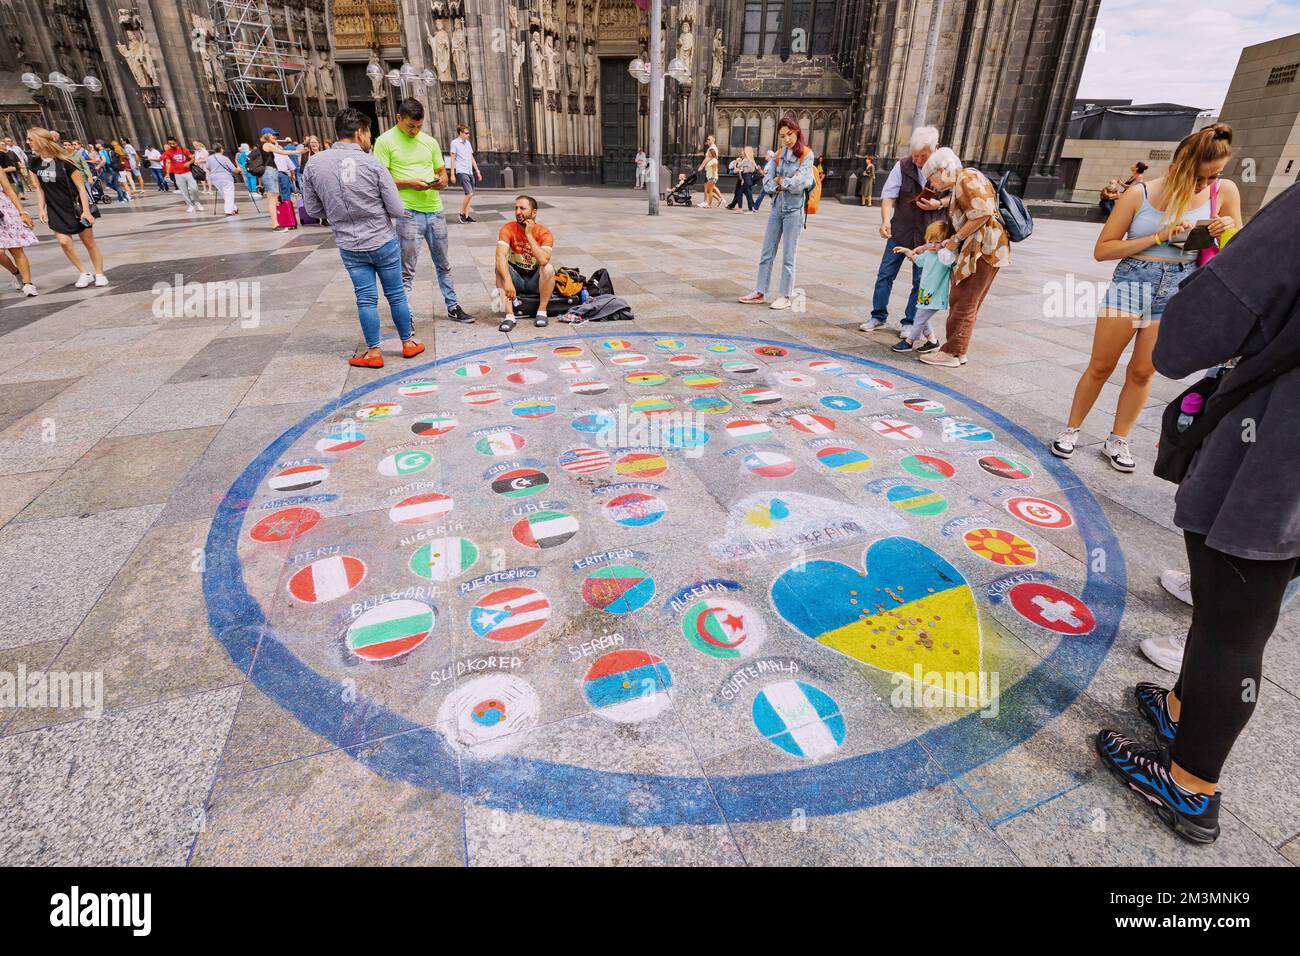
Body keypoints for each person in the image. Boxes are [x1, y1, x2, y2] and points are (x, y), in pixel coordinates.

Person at [1096, 180, 1300, 845]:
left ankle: (1190, 785)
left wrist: (1207, 257)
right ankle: (1184, 710)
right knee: (1239, 617)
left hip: (1274, 458)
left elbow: (1188, 336)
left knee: (1231, 625)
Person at [1052, 125, 1239, 472]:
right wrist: (1159, 235)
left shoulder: (1224, 190)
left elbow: (1236, 251)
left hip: (1179, 287)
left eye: (1215, 176)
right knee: (1102, 365)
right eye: (1200, 177)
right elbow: (1103, 250)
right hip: (1134, 280)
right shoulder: (1140, 193)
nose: (1206, 185)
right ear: (1181, 166)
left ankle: (1117, 439)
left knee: (1142, 372)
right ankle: (1071, 429)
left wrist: (1225, 228)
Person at [301, 108, 422, 369]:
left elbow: (312, 210)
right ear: (360, 133)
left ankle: (374, 352)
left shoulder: (314, 164)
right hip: (382, 240)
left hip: (349, 244)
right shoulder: (372, 163)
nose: (370, 139)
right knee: (396, 294)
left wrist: (338, 215)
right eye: (368, 133)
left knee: (365, 298)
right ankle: (408, 343)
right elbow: (396, 209)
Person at [373, 98, 473, 323]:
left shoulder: (429, 142)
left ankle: (452, 306)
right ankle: (404, 314)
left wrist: (441, 181)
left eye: (419, 126)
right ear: (399, 118)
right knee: (407, 268)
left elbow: (442, 172)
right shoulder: (384, 141)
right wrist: (410, 183)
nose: (415, 131)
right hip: (408, 212)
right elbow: (380, 179)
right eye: (410, 126)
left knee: (444, 263)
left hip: (435, 209)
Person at [914, 147, 1010, 368]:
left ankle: (952, 352)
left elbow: (983, 211)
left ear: (943, 170)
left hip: (980, 250)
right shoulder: (965, 179)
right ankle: (958, 350)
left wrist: (956, 239)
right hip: (986, 249)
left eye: (931, 178)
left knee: (963, 299)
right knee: (967, 300)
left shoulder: (966, 177)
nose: (931, 185)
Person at [861, 127, 945, 337]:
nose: (917, 160)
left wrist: (939, 203)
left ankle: (910, 322)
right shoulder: (904, 165)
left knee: (920, 281)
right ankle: (878, 316)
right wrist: (884, 221)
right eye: (914, 155)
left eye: (922, 156)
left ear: (935, 148)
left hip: (928, 236)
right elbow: (888, 195)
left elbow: (956, 196)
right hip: (901, 230)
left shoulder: (946, 165)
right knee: (885, 274)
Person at [737, 116, 816, 311]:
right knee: (767, 252)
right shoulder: (779, 154)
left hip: (794, 211)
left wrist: (782, 182)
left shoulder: (806, 154)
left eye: (790, 134)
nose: (787, 139)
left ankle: (785, 295)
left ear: (797, 132)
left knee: (789, 255)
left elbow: (803, 183)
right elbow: (766, 181)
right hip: (776, 207)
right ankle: (760, 291)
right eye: (782, 136)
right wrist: (783, 182)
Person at [26, 128, 107, 287]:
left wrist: (85, 211)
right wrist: (41, 208)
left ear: (41, 140)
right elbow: (39, 188)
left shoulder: (66, 162)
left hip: (75, 207)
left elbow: (81, 188)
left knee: (89, 242)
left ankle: (99, 273)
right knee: (64, 242)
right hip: (55, 208)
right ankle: (84, 272)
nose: (28, 142)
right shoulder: (34, 163)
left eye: (30, 139)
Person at [888, 219, 953, 355]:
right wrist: (906, 251)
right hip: (924, 293)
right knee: (922, 317)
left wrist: (948, 246)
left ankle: (909, 341)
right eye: (930, 241)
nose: (933, 245)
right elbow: (918, 260)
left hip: (935, 295)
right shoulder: (928, 254)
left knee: (919, 319)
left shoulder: (944, 256)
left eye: (938, 242)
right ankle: (932, 341)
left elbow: (951, 261)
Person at [495, 194, 555, 332]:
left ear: (534, 212)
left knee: (548, 268)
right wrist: (508, 281)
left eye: (522, 208)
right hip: (517, 279)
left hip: (535, 280)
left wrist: (529, 235)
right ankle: (509, 316)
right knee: (499, 268)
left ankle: (541, 312)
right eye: (516, 208)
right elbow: (500, 255)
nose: (518, 212)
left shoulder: (544, 232)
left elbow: (543, 260)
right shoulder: (508, 228)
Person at [0, 153, 38, 296]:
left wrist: (22, 211)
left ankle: (28, 283)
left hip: (5, 210)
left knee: (16, 249)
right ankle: (16, 272)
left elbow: (9, 190)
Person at [259, 130, 305, 231]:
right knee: (272, 198)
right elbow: (283, 152)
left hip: (271, 172)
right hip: (269, 172)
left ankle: (279, 222)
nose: (275, 137)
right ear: (267, 135)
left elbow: (279, 149)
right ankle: (275, 225)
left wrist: (275, 143)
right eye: (273, 135)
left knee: (275, 198)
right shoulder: (267, 144)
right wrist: (298, 152)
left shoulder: (268, 145)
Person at [448, 124, 482, 224]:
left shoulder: (468, 143)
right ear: (460, 133)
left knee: (470, 195)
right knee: (469, 193)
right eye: (466, 133)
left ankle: (466, 216)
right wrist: (452, 174)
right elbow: (452, 158)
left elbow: (471, 158)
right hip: (461, 170)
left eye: (468, 133)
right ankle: (462, 214)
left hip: (469, 171)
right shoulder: (454, 143)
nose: (468, 135)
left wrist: (478, 171)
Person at [162, 137, 203, 212]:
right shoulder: (168, 152)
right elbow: (168, 162)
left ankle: (197, 203)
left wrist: (189, 162)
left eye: (173, 143)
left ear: (176, 142)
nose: (171, 145)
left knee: (194, 188)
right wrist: (167, 173)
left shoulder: (184, 150)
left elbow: (192, 159)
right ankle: (190, 205)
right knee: (184, 191)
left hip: (188, 172)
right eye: (170, 144)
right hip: (177, 174)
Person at [205, 143, 240, 216]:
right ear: (221, 149)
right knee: (229, 194)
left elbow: (207, 167)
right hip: (225, 177)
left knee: (224, 194)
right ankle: (228, 211)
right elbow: (234, 170)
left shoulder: (209, 158)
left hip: (214, 178)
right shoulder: (225, 158)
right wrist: (239, 169)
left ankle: (234, 208)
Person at [725, 147, 758, 212]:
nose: (741, 152)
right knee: (748, 194)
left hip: (746, 178)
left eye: (743, 151)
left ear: (746, 152)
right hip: (748, 178)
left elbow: (738, 167)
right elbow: (756, 167)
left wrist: (736, 163)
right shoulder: (751, 160)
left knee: (741, 193)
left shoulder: (745, 160)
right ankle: (752, 208)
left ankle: (742, 208)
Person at [697, 134, 722, 208]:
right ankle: (718, 199)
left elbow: (708, 160)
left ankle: (708, 203)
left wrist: (701, 167)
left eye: (709, 139)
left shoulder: (712, 149)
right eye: (707, 139)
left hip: (711, 175)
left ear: (714, 140)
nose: (708, 140)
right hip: (709, 173)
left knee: (708, 189)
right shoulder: (711, 148)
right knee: (709, 189)